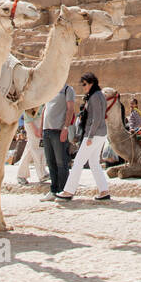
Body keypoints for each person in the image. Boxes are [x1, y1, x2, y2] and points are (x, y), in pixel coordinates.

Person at [56, 73, 111, 201]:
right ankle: (104, 191)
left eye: (85, 84)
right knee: (93, 163)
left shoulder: (95, 97)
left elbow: (96, 118)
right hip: (100, 134)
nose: (84, 87)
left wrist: (90, 136)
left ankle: (68, 191)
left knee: (78, 162)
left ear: (91, 83)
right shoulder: (100, 95)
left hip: (93, 134)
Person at [39, 81, 76, 199]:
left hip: (58, 130)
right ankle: (54, 190)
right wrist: (41, 128)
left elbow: (70, 109)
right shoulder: (50, 90)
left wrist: (65, 128)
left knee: (61, 162)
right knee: (50, 162)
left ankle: (64, 191)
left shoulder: (67, 90)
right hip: (47, 130)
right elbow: (45, 109)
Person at [17, 109, 47, 185]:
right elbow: (27, 112)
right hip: (32, 122)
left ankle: (21, 174)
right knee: (36, 148)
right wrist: (34, 128)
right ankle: (42, 174)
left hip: (39, 121)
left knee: (31, 148)